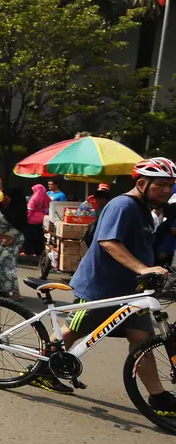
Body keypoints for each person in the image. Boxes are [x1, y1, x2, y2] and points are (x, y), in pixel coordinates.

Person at [56, 158, 176, 405]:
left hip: (133, 291)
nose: (167, 190)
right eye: (161, 185)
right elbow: (109, 242)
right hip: (101, 288)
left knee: (142, 340)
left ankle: (158, 397)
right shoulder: (122, 206)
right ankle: (41, 367)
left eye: (171, 185)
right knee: (74, 330)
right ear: (142, 183)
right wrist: (143, 268)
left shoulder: (145, 209)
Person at [0, 187, 26, 300]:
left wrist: (10, 238)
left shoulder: (19, 208)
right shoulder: (3, 206)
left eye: (7, 197)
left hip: (14, 239)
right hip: (1, 238)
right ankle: (1, 290)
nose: (5, 199)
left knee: (8, 263)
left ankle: (16, 293)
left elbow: (20, 226)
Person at [24, 183, 50, 256]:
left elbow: (30, 210)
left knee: (29, 238)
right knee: (40, 238)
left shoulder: (34, 198)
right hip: (43, 221)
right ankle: (39, 253)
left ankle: (29, 253)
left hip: (32, 222)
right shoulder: (46, 197)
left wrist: (25, 219)